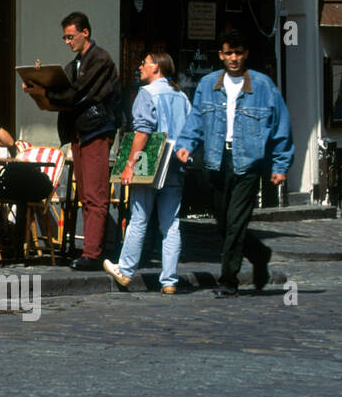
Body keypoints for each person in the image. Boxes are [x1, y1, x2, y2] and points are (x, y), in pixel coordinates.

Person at [174, 30, 293, 298]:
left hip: (248, 162)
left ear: (246, 54)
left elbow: (281, 126)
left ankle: (228, 280)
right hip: (216, 160)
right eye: (229, 53)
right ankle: (259, 253)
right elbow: (196, 118)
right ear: (221, 55)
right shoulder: (208, 84)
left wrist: (280, 165)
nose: (234, 58)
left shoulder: (264, 86)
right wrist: (186, 144)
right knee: (224, 224)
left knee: (237, 223)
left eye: (239, 53)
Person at [22, 12, 119, 271]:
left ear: (85, 32)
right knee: (86, 193)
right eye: (64, 37)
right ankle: (89, 250)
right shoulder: (75, 64)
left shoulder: (101, 59)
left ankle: (92, 253)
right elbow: (60, 97)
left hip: (96, 131)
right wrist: (37, 88)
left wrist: (47, 91)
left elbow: (77, 94)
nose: (67, 41)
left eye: (70, 36)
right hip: (79, 133)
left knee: (95, 195)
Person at [104, 53, 192, 293]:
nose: (140, 66)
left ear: (158, 68)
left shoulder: (147, 93)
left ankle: (125, 270)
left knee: (139, 218)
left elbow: (142, 132)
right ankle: (170, 280)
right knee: (171, 223)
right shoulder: (182, 96)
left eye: (144, 63)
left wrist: (130, 164)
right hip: (174, 164)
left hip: (151, 161)